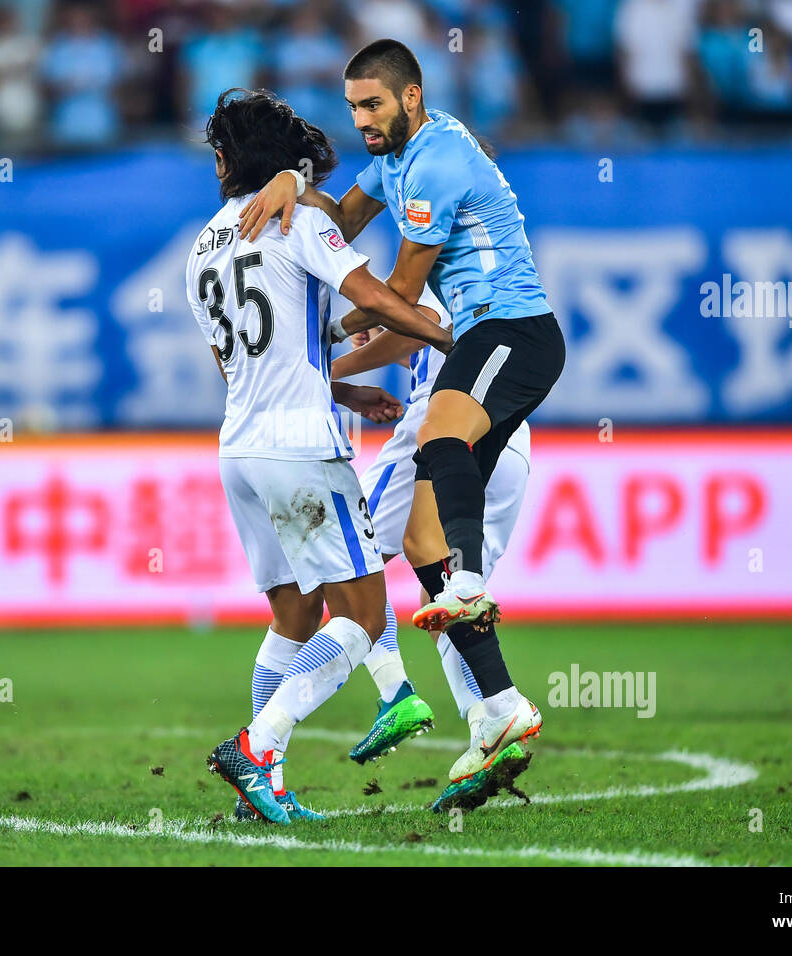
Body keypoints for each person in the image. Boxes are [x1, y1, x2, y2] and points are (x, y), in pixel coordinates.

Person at [237, 38, 561, 789]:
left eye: (373, 104)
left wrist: (318, 343)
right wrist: (292, 179)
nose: (361, 120)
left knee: (387, 524)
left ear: (411, 96)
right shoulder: (393, 164)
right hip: (482, 347)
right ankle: (498, 706)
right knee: (422, 538)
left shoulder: (438, 162)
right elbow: (337, 223)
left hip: (510, 331)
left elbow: (402, 294)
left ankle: (401, 675)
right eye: (352, 107)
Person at [189, 89, 453, 825]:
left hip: (239, 450)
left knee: (294, 616)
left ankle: (255, 792)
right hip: (302, 452)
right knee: (365, 618)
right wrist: (449, 338)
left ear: (227, 162)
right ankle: (258, 744)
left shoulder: (201, 248)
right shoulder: (298, 220)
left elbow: (243, 364)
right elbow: (379, 295)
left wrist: (344, 390)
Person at [332, 295, 535, 812]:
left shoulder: (427, 241)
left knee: (350, 553)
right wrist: (385, 340)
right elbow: (439, 337)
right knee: (447, 592)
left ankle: (395, 694)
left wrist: (328, 370)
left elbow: (425, 324)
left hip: (443, 424)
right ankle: (492, 718)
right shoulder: (490, 273)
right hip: (507, 437)